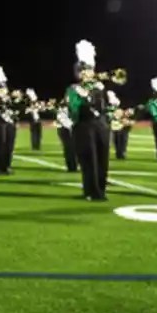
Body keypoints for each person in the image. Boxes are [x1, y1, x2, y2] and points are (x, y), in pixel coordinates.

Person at [67, 40, 110, 201]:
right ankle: (91, 191)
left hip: (101, 125)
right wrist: (84, 99)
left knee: (102, 158)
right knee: (89, 159)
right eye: (84, 71)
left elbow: (104, 108)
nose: (87, 73)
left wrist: (111, 103)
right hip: (84, 126)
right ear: (78, 73)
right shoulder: (73, 89)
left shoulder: (99, 87)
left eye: (90, 70)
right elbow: (74, 110)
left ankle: (102, 190)